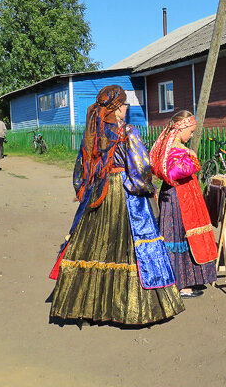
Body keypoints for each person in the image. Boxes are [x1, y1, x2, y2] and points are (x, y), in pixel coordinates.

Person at [48, 85, 183, 326]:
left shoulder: (94, 133)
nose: (127, 108)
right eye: (125, 105)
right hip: (124, 194)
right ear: (118, 109)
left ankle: (86, 306)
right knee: (129, 247)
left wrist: (84, 191)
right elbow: (140, 168)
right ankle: (131, 309)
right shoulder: (128, 132)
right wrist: (146, 187)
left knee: (95, 247)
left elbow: (81, 167)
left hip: (99, 192)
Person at [150, 110, 218, 298]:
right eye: (191, 131)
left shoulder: (171, 145)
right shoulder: (174, 148)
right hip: (177, 196)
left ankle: (181, 280)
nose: (192, 135)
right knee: (177, 236)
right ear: (182, 128)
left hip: (180, 195)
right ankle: (178, 284)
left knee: (181, 236)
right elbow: (172, 174)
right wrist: (193, 158)